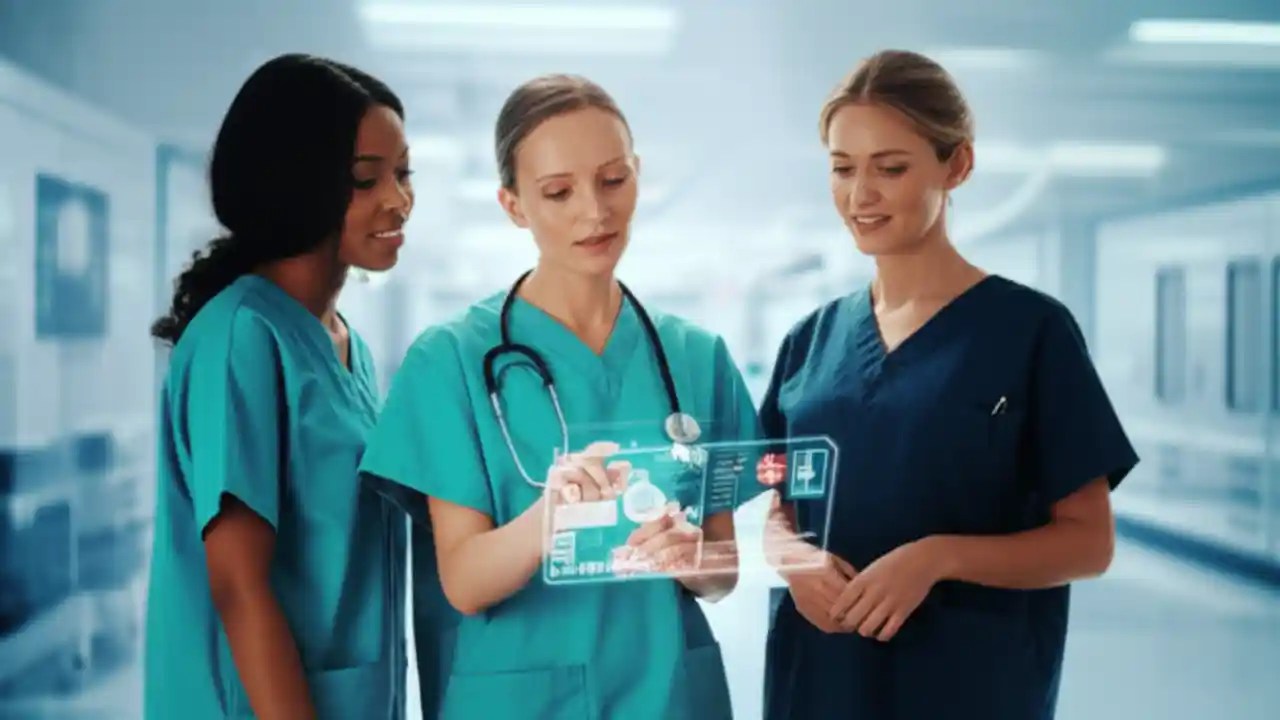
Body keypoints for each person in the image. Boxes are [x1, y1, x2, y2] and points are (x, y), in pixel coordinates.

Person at [358, 74, 757, 720]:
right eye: (558, 192)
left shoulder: (696, 356)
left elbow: (723, 569)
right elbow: (463, 580)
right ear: (514, 205)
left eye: (613, 180)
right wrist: (551, 518)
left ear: (637, 175)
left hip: (671, 696)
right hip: (520, 699)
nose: (594, 212)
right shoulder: (451, 361)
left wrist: (691, 558)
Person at [758, 49, 1139, 720]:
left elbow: (1089, 542)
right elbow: (773, 505)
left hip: (968, 687)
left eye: (891, 168)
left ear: (956, 165)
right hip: (819, 682)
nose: (860, 195)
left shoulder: (1031, 333)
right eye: (842, 169)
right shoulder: (808, 342)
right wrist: (791, 558)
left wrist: (938, 558)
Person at [144, 53, 414, 720]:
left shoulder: (347, 345)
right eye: (364, 180)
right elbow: (239, 585)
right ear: (299, 183)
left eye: (404, 174)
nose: (398, 199)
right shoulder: (243, 338)